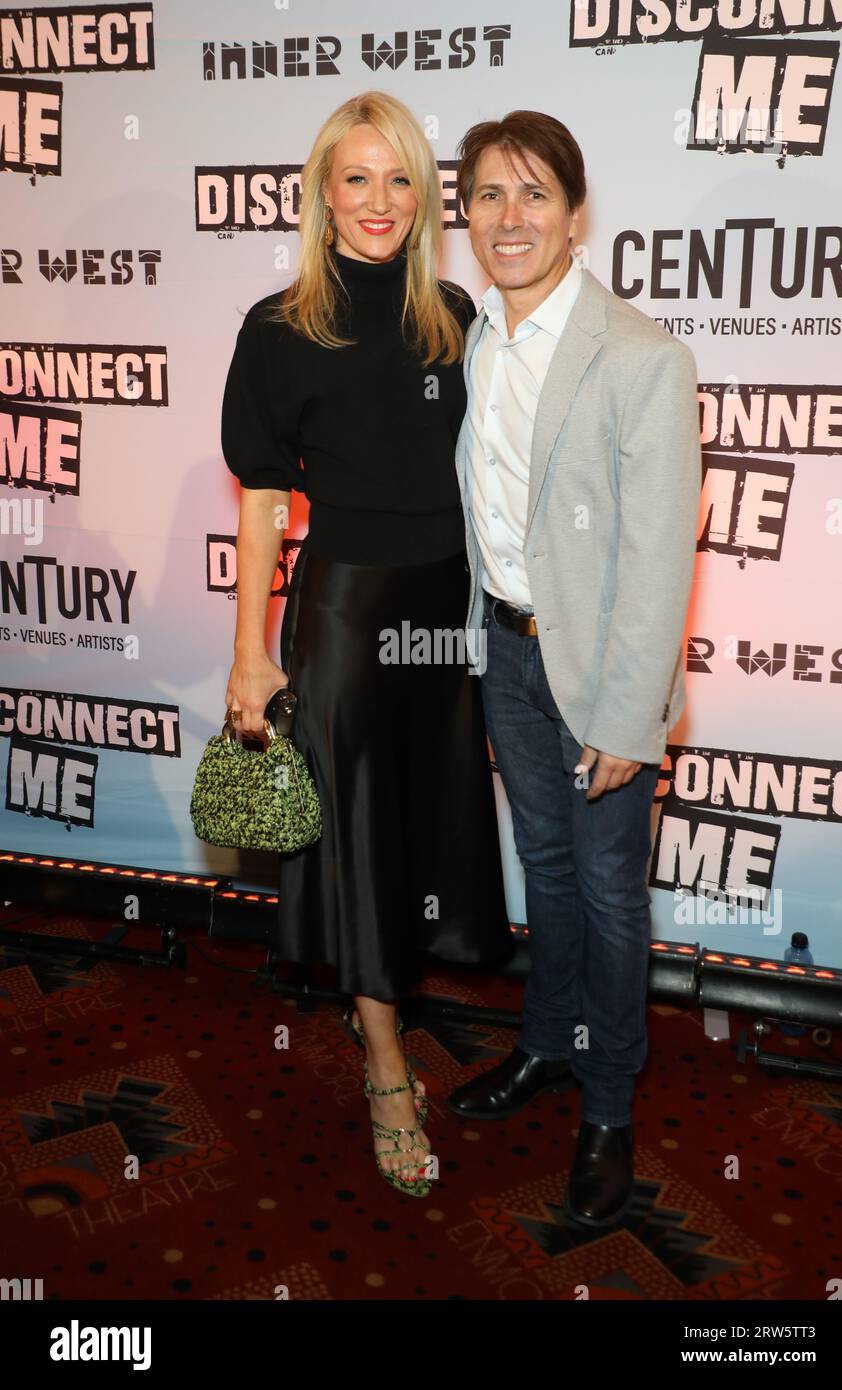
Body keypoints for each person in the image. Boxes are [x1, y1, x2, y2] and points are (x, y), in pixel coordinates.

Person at [220, 91, 511, 1198]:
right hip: (342, 609)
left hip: (446, 607)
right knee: (357, 831)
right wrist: (251, 651)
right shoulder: (277, 326)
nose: (378, 200)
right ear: (321, 193)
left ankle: (388, 1011)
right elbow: (259, 503)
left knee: (419, 824)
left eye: (399, 178)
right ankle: (387, 1066)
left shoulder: (451, 314)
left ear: (422, 196)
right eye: (356, 177)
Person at [446, 110, 701, 1227]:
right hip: (504, 645)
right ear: (464, 215)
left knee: (605, 893)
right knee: (541, 872)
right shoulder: (476, 341)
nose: (511, 219)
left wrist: (627, 709)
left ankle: (607, 1106)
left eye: (533, 195)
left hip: (596, 671)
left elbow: (656, 556)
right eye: (489, 197)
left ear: (573, 212)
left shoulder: (640, 354)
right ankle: (547, 1044)